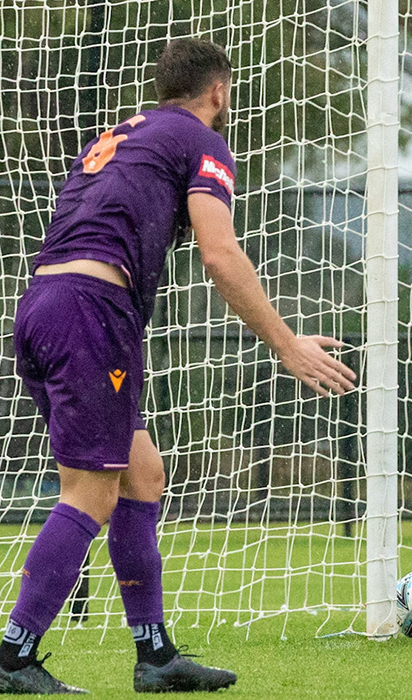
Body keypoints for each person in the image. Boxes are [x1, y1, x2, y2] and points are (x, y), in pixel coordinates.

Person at [5, 38, 355, 694]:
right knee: (89, 492)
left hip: (44, 305)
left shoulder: (119, 135)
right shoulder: (201, 140)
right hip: (91, 311)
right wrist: (286, 343)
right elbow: (220, 255)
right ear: (218, 92)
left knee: (141, 476)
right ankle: (14, 654)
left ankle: (156, 657)